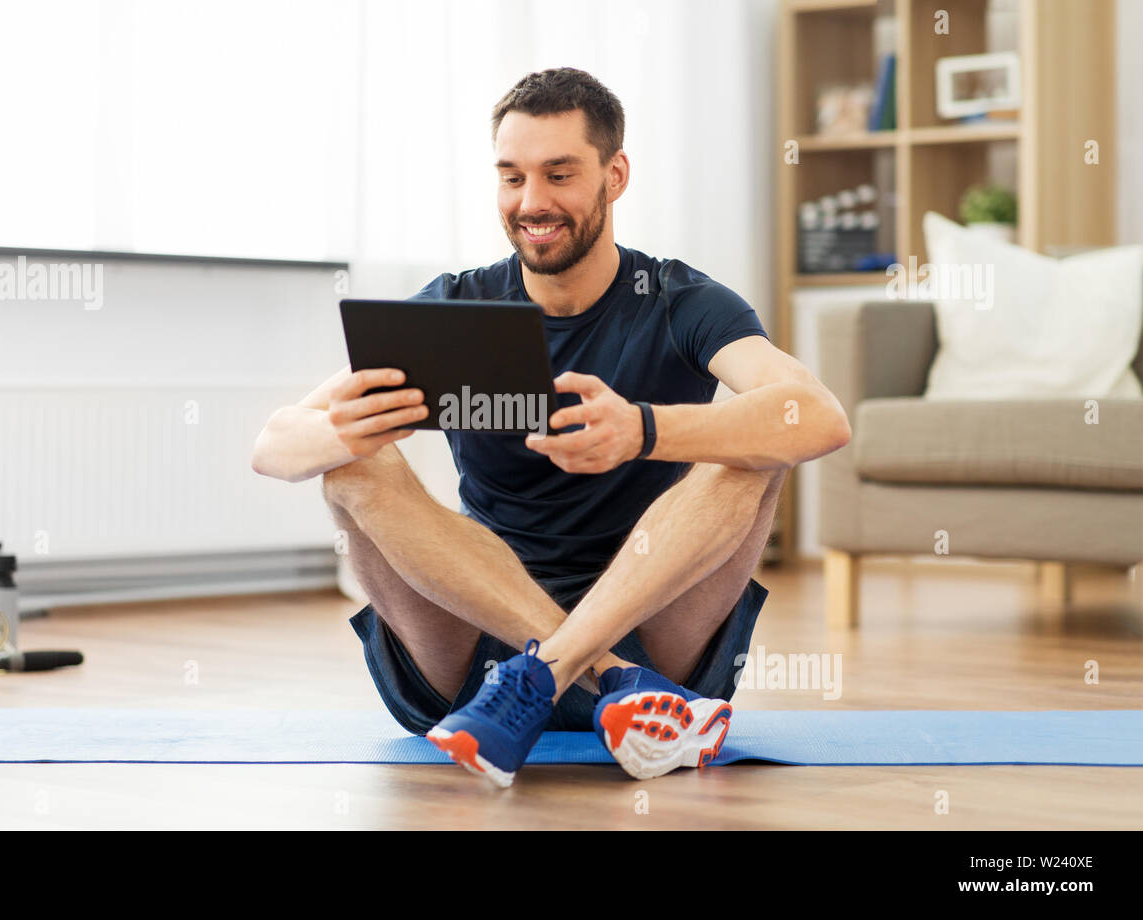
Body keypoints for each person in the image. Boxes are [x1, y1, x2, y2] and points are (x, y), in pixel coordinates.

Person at [251, 67, 851, 787]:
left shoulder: (679, 300)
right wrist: (346, 433)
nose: (532, 202)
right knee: (352, 461)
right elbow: (274, 446)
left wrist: (642, 430)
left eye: (559, 175)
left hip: (656, 629)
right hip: (479, 648)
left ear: (614, 175)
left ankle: (552, 673)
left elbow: (817, 415)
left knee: (754, 447)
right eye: (512, 178)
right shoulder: (458, 306)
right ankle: (602, 674)